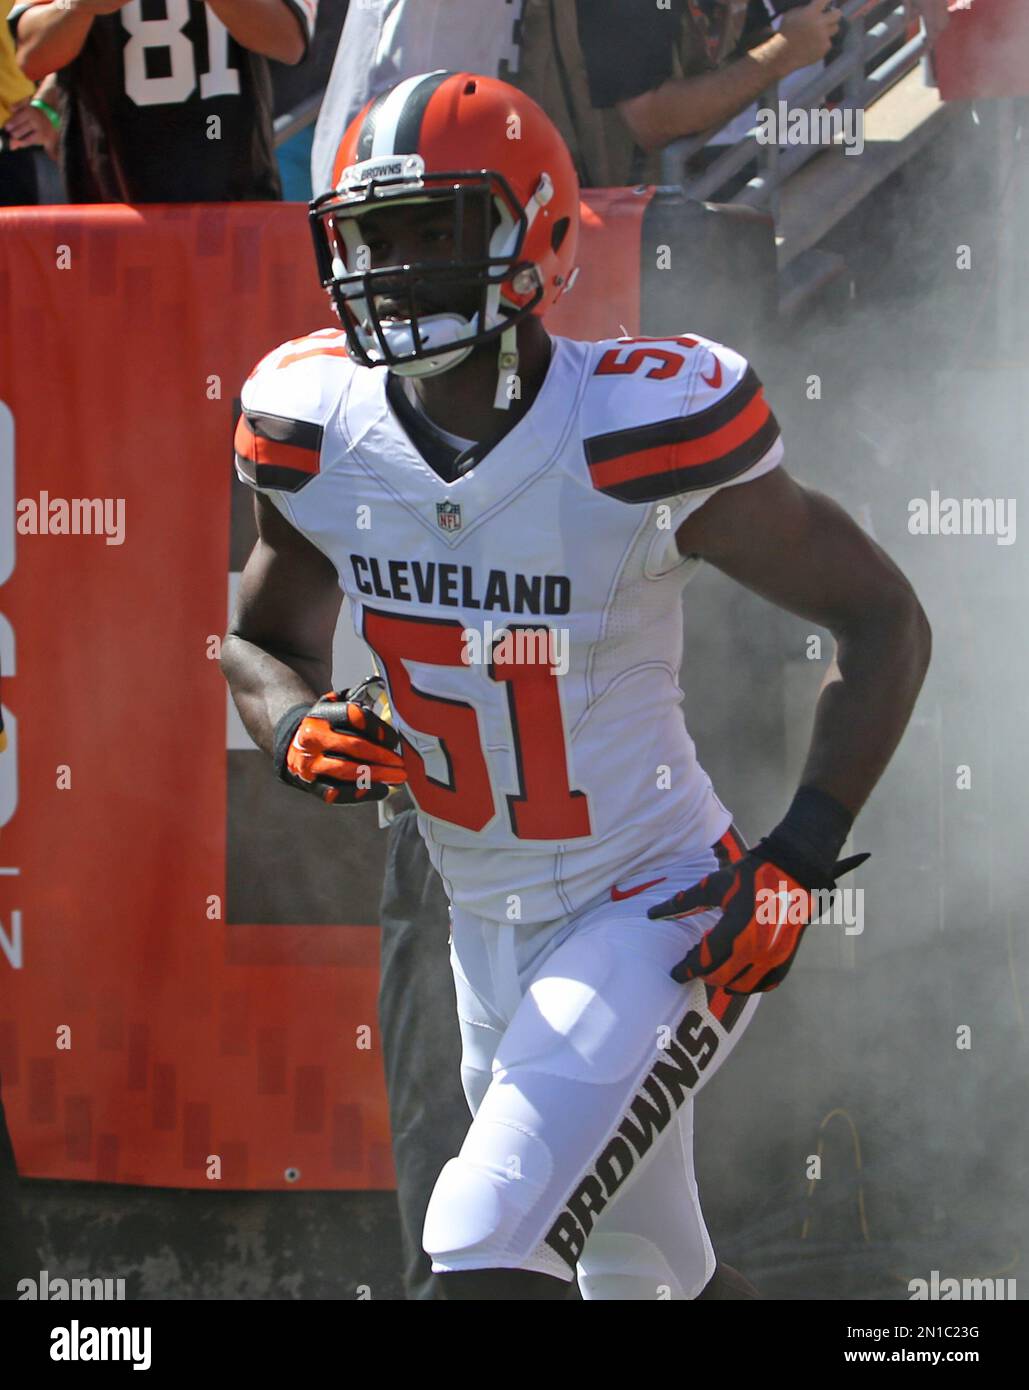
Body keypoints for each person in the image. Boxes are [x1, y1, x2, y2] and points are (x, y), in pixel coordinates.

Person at [221, 72, 931, 1299]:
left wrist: (801, 855)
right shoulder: (317, 422)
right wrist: (292, 724)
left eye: (431, 228)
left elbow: (882, 619)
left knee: (483, 1243)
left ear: (534, 230)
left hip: (659, 911)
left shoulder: (632, 425)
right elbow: (256, 640)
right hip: (481, 930)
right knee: (645, 1267)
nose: (393, 266)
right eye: (371, 233)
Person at [10, 0, 319, 202]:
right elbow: (30, 54)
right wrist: (78, 6)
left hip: (233, 199)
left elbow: (289, 40)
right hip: (111, 200)